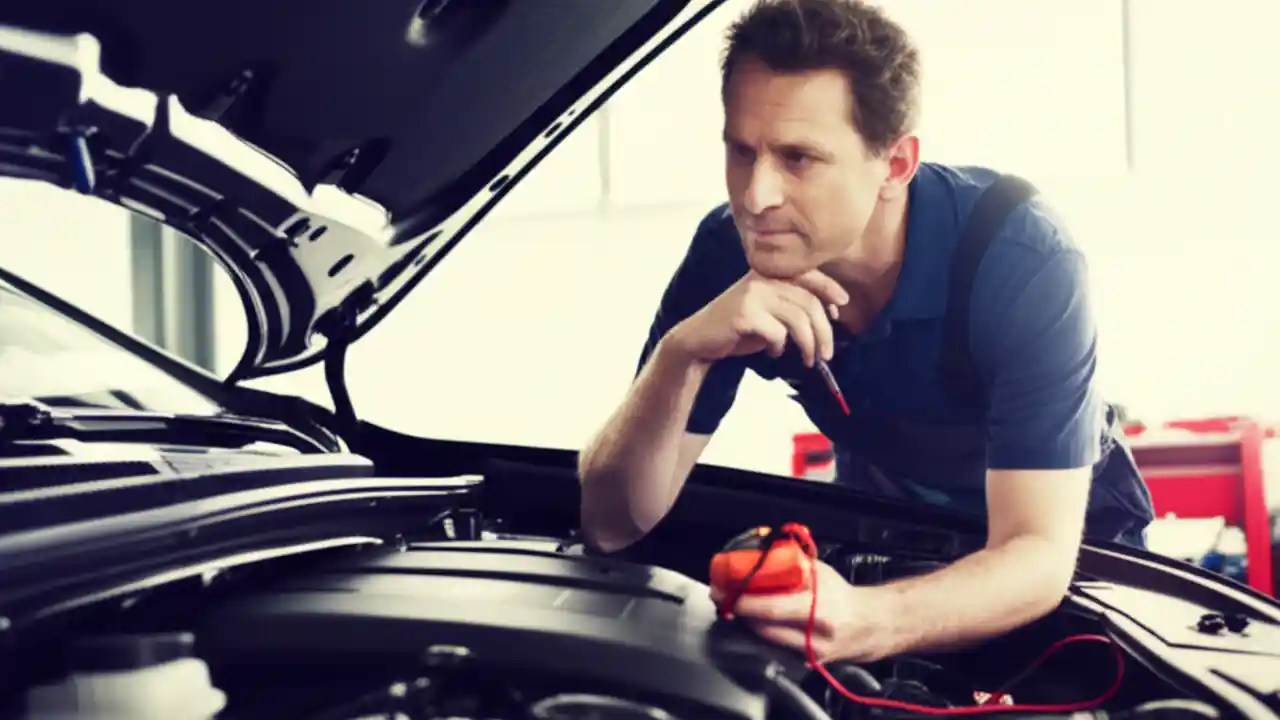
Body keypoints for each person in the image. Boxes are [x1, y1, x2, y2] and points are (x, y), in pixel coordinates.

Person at [576, 0, 1155, 664]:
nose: (756, 196)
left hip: (1071, 547)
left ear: (897, 164)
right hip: (896, 517)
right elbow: (612, 523)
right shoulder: (728, 252)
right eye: (742, 151)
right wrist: (680, 356)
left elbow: (1038, 553)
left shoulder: (1019, 259)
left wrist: (866, 621)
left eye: (799, 159)